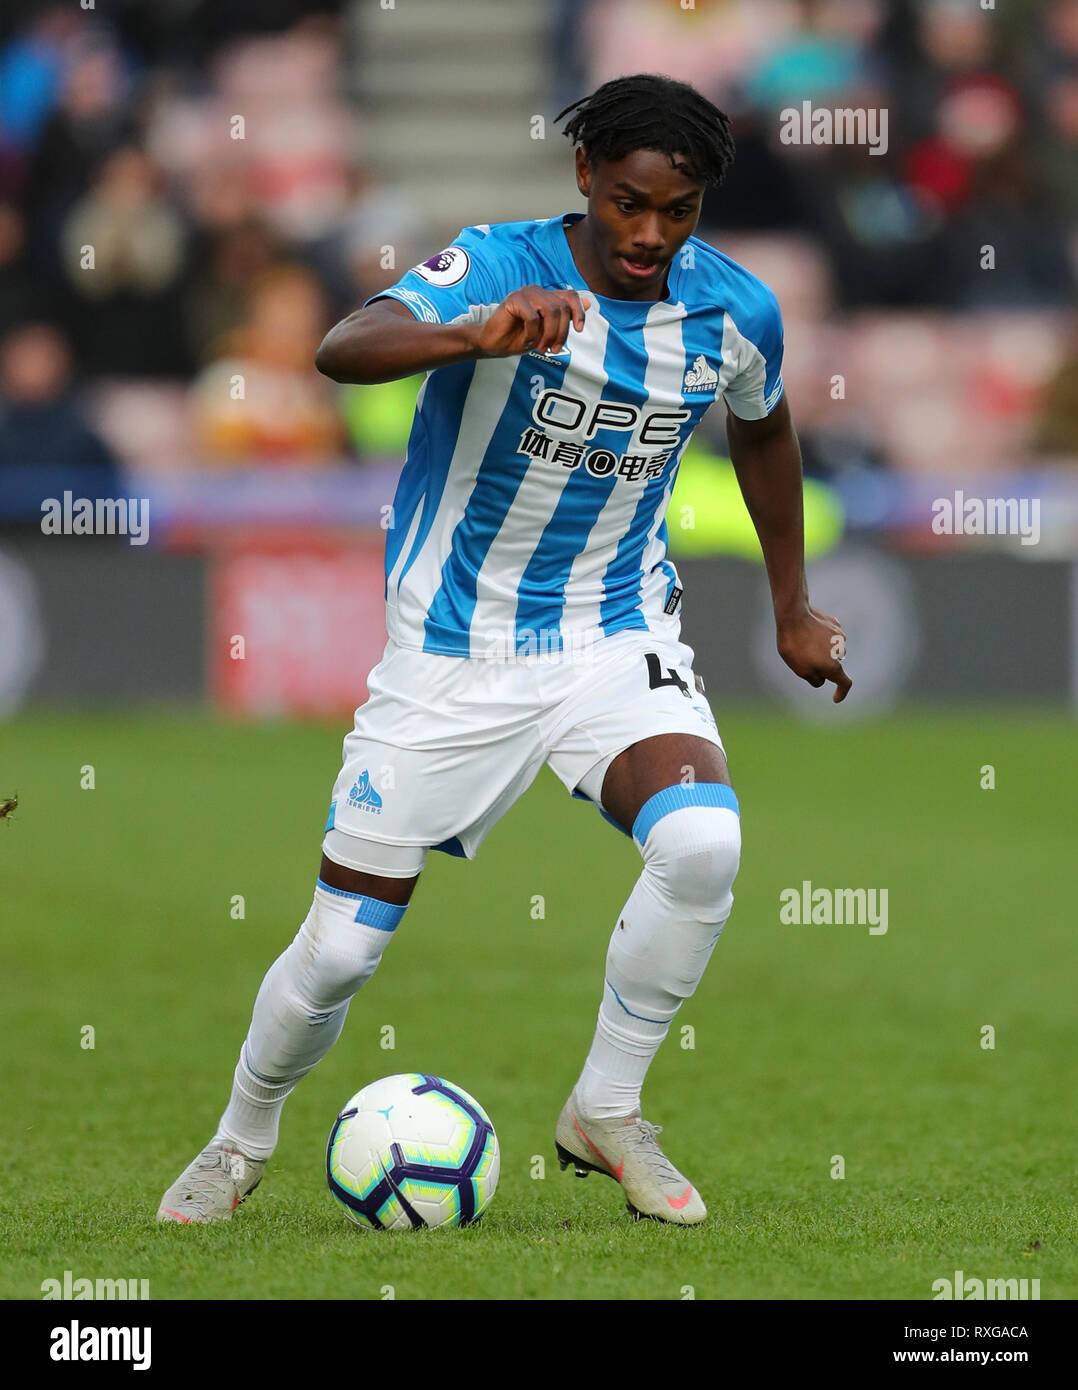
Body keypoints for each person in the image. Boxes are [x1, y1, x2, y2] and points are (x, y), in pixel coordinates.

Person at [159, 73, 851, 1229]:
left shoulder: (735, 310)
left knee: (702, 843)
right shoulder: (494, 264)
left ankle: (606, 1108)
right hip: (450, 650)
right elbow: (344, 346)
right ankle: (239, 1139)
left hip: (611, 629)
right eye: (629, 202)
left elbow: (766, 425)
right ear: (585, 176)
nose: (647, 234)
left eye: (675, 212)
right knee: (337, 953)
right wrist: (467, 335)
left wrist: (791, 602)